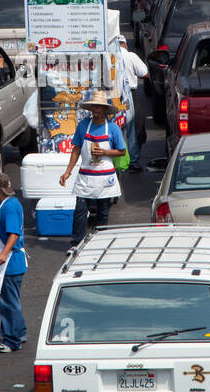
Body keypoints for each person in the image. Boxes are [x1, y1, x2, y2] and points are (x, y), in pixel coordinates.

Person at [59, 89, 126, 247]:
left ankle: (100, 244)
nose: (96, 110)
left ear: (104, 109)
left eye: (99, 107)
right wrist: (67, 172)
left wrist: (105, 152)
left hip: (104, 178)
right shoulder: (83, 126)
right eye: (94, 106)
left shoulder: (113, 129)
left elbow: (122, 151)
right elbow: (76, 149)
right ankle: (76, 243)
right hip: (86, 177)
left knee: (103, 213)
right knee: (80, 211)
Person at [0, 172, 28, 354]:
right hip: (13, 262)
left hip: (9, 263)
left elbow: (13, 234)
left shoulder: (9, 208)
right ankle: (19, 332)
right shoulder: (9, 204)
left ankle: (12, 340)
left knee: (8, 302)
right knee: (13, 300)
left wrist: (3, 254)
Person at [116, 36, 148, 173]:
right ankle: (133, 162)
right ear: (124, 44)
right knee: (132, 129)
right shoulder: (130, 56)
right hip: (130, 95)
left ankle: (116, 159)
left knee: (116, 128)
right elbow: (145, 74)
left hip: (112, 96)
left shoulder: (108, 56)